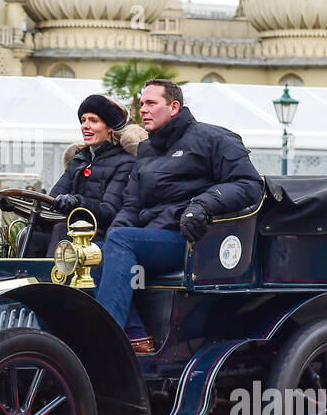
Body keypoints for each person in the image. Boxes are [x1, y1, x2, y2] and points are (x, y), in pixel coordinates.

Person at [96, 80, 264, 353]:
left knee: (121, 241)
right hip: (153, 238)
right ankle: (135, 336)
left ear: (174, 107)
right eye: (142, 105)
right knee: (93, 253)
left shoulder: (212, 138)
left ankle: (104, 342)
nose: (144, 110)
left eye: (151, 104)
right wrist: (110, 235)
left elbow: (249, 184)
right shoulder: (147, 151)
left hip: (192, 240)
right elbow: (130, 206)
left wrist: (202, 206)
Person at [5, 94, 145, 257]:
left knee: (61, 229)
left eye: (93, 120)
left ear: (109, 128)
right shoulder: (79, 160)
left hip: (97, 235)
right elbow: (52, 200)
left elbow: (109, 212)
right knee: (32, 235)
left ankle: (56, 282)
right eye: (83, 120)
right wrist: (20, 203)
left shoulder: (124, 163)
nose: (85, 126)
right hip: (71, 229)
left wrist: (77, 203)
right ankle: (25, 280)